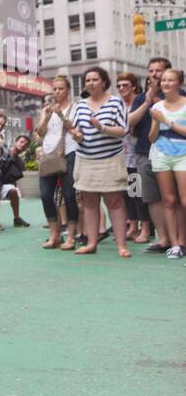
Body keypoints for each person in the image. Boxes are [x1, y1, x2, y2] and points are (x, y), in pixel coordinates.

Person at [70, 66, 130, 257]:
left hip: (111, 159)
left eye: (95, 79)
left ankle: (121, 245)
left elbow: (122, 130)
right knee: (89, 202)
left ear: (104, 82)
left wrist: (102, 127)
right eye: (87, 80)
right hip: (86, 159)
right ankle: (92, 243)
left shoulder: (115, 102)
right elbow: (75, 132)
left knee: (115, 202)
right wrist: (76, 135)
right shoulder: (79, 105)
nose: (91, 83)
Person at [125, 61, 171, 251]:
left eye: (158, 70)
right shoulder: (140, 98)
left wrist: (155, 100)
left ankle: (179, 238)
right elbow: (130, 122)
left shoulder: (178, 95)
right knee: (152, 198)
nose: (154, 74)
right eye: (150, 70)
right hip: (144, 153)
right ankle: (163, 238)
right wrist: (146, 101)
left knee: (172, 198)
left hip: (172, 152)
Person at [35, 75, 80, 249]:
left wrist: (61, 115)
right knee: (46, 195)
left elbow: (74, 129)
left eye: (60, 88)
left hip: (69, 152)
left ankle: (71, 236)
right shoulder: (46, 109)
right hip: (49, 154)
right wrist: (46, 116)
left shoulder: (75, 107)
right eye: (54, 89)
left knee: (69, 196)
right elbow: (40, 132)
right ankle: (54, 235)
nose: (57, 92)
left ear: (68, 89)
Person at [147, 67, 186, 257]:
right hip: (161, 154)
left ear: (179, 83)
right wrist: (156, 121)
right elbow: (152, 138)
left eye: (170, 80)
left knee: (185, 201)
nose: (166, 83)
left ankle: (184, 240)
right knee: (169, 201)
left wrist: (167, 122)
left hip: (183, 154)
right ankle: (176, 244)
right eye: (163, 80)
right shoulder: (157, 107)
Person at [0, 135, 30, 227]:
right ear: (15, 141)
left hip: (4, 184)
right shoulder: (2, 151)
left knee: (13, 191)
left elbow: (15, 176)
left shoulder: (19, 161)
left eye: (26, 145)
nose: (23, 145)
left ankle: (16, 218)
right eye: (21, 142)